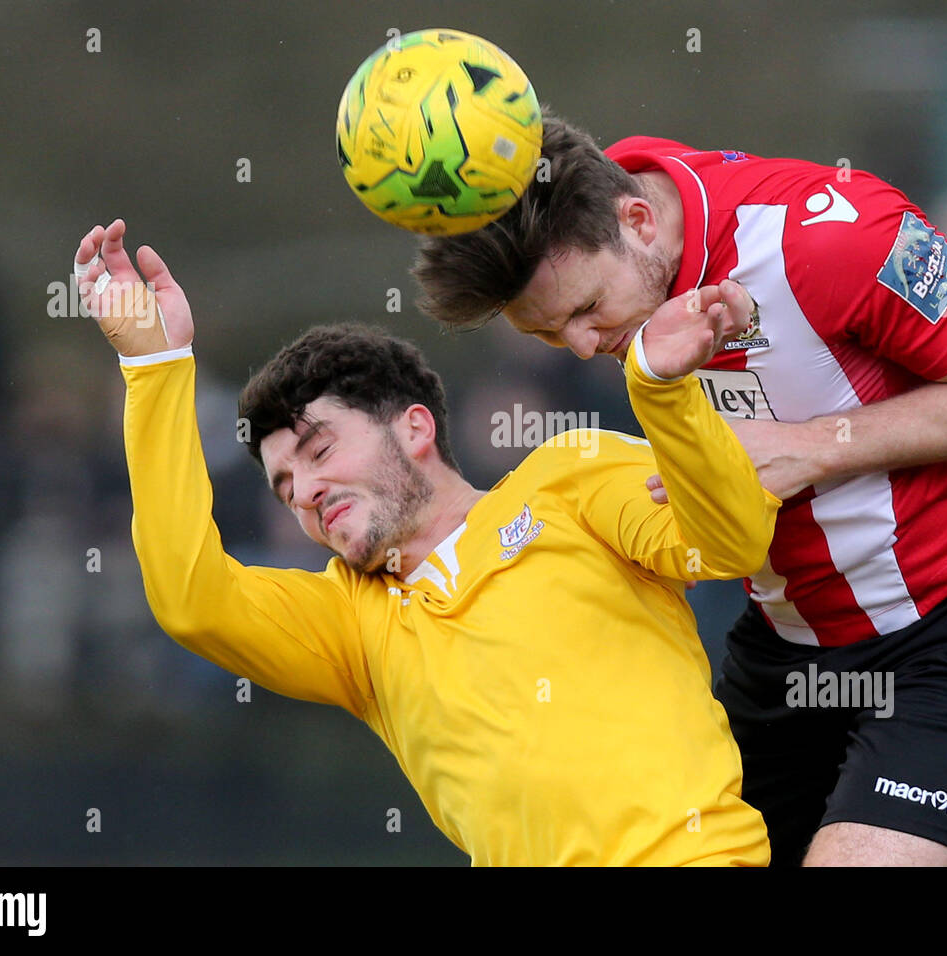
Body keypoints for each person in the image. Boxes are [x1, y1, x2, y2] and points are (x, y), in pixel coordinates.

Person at [410, 113, 947, 867]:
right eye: (548, 334)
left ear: (638, 220)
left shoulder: (828, 233)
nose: (583, 346)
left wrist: (810, 448)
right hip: (784, 657)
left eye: (587, 311)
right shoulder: (612, 246)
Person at [74, 218, 783, 866]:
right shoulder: (352, 622)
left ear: (414, 429)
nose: (307, 493)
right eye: (286, 488)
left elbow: (732, 541)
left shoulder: (570, 477)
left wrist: (663, 390)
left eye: (320, 452)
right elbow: (191, 599)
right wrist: (155, 369)